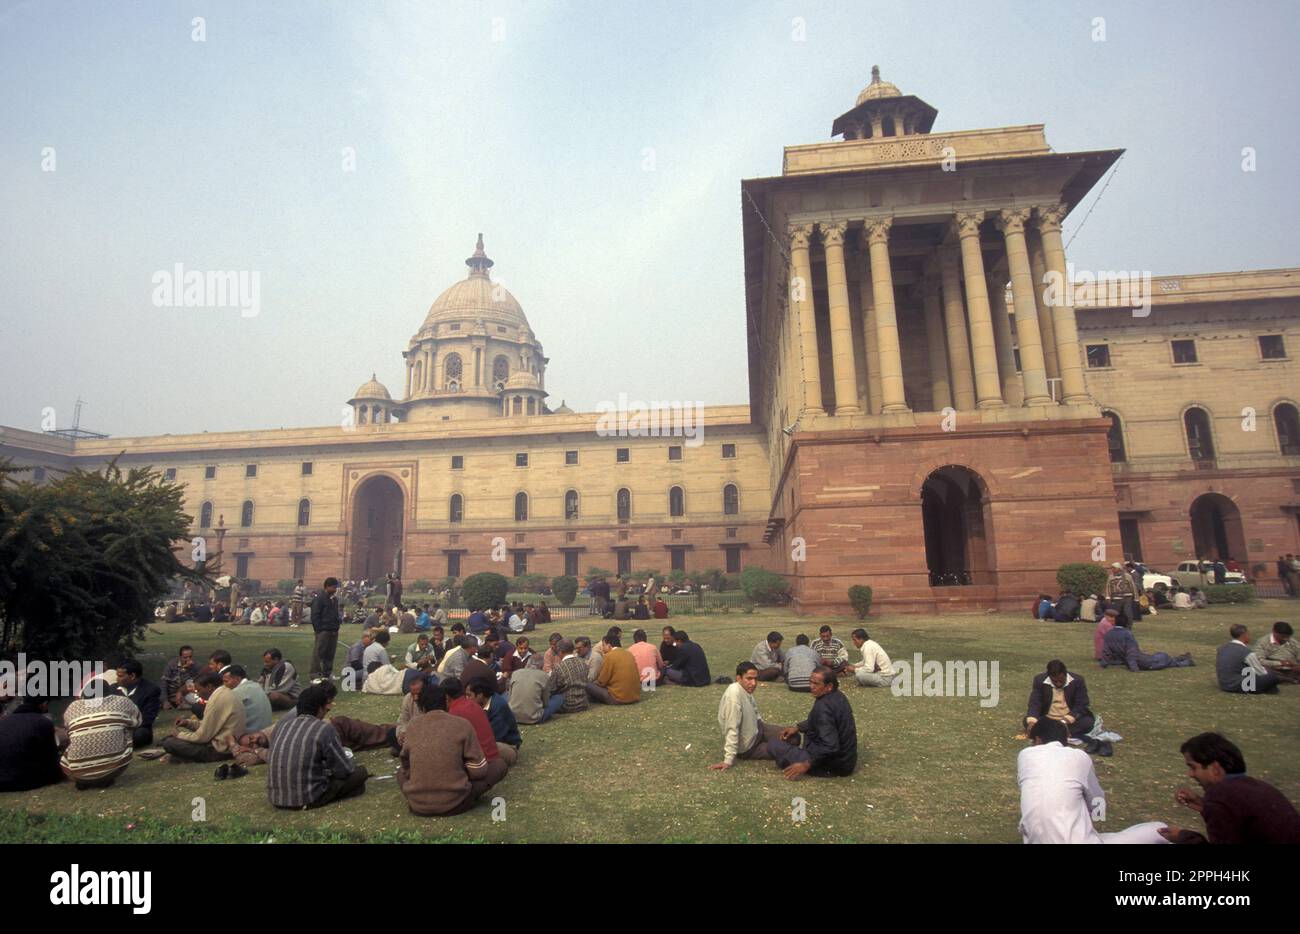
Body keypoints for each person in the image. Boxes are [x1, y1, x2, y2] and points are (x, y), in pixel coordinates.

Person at [1017, 718, 1168, 844]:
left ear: (1037, 739)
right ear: (1066, 740)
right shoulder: (1079, 757)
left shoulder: (1024, 756)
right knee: (1159, 828)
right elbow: (1096, 798)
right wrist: (1097, 818)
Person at [1159, 733, 1300, 843]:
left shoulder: (1220, 796)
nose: (1190, 774)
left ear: (1215, 768)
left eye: (1193, 767)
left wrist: (1184, 837)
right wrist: (1204, 806)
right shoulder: (1256, 787)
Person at [398, 683, 505, 816]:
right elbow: (479, 770)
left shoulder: (413, 726)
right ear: (446, 701)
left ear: (421, 706)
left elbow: (406, 768)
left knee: (399, 773)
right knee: (499, 765)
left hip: (418, 804)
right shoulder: (462, 724)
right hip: (456, 803)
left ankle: (421, 796)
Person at [267, 684, 369, 809]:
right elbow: (343, 770)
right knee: (360, 773)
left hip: (277, 799)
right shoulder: (324, 729)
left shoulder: (284, 727)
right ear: (319, 708)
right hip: (306, 798)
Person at [766, 667, 857, 779]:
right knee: (794, 738)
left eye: (816, 684)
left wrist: (806, 764)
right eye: (811, 682)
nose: (811, 687)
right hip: (847, 762)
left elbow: (831, 746)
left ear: (829, 686)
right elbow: (821, 721)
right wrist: (798, 727)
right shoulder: (838, 696)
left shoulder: (823, 706)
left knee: (774, 743)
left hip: (833, 766)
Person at [708, 662, 792, 770]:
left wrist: (765, 729)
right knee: (788, 749)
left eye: (755, 679)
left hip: (759, 729)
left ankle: (772, 742)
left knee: (793, 737)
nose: (753, 683)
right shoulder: (733, 697)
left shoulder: (745, 690)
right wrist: (728, 761)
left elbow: (755, 711)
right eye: (749, 678)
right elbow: (732, 728)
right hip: (750, 746)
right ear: (739, 678)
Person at [60, 688, 141, 790]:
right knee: (127, 731)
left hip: (76, 772)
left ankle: (84, 777)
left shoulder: (72, 707)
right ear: (110, 694)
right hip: (113, 769)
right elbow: (138, 721)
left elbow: (67, 731)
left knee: (72, 738)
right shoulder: (121, 701)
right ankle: (106, 773)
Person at [162, 671, 246, 763]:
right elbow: (210, 725)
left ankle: (184, 759)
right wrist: (188, 723)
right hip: (228, 743)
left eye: (198, 690)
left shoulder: (217, 700)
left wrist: (179, 735)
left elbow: (202, 736)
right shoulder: (225, 692)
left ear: (209, 687)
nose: (197, 694)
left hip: (221, 749)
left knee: (169, 743)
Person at [445, 678, 511, 774]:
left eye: (469, 695)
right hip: (492, 758)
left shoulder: (454, 712)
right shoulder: (475, 705)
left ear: (447, 697)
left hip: (482, 763)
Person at [0, 695, 62, 792]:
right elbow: (51, 759)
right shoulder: (43, 722)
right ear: (44, 704)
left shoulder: (3, 722)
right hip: (26, 781)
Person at [1023, 660, 1095, 740]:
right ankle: (1058, 732)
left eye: (1061, 680)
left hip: (1069, 720)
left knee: (1087, 723)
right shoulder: (1039, 680)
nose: (1058, 684)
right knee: (1027, 720)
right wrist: (1032, 721)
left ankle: (1049, 732)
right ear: (1049, 677)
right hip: (1048, 718)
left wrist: (1066, 720)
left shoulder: (1078, 681)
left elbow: (1082, 704)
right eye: (1055, 681)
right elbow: (1035, 703)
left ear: (1065, 674)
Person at [1099, 618, 1194, 671]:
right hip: (1144, 662)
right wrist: (1134, 668)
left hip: (1133, 661)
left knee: (1165, 658)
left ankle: (1182, 657)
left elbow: (1106, 651)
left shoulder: (1109, 634)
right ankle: (1186, 661)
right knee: (1165, 658)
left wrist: (1104, 663)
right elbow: (1131, 652)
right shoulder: (1127, 634)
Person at [467, 677, 521, 765]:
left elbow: (494, 736)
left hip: (506, 744)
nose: (467, 699)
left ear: (480, 695)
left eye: (469, 695)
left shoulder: (499, 706)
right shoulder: (481, 704)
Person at [1215, 624, 1279, 694]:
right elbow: (1260, 672)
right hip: (1240, 685)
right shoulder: (1246, 652)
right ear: (1244, 635)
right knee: (1272, 676)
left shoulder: (1222, 648)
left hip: (1224, 684)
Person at [109, 660, 160, 746]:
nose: (117, 679)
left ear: (132, 676)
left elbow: (148, 718)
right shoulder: (112, 689)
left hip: (137, 728)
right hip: (115, 727)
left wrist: (127, 726)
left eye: (120, 676)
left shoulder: (151, 690)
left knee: (141, 734)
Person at [587, 633, 641, 704]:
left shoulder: (608, 656)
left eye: (603, 645)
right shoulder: (628, 653)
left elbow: (602, 682)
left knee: (587, 684)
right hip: (634, 696)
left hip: (618, 698)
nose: (602, 648)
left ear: (609, 645)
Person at [510, 654, 564, 724]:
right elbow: (546, 703)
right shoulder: (544, 676)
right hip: (534, 717)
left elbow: (510, 696)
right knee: (559, 698)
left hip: (513, 716)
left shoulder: (515, 673)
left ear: (528, 663)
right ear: (541, 665)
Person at [223, 665, 273, 733]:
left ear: (237, 679)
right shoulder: (256, 685)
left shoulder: (236, 692)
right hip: (265, 730)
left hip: (251, 734)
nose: (224, 685)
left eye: (226, 681)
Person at [310, 577, 342, 680]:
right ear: (327, 586)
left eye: (336, 587)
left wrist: (337, 626)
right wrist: (319, 630)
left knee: (330, 653)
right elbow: (315, 615)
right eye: (333, 587)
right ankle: (315, 675)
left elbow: (336, 614)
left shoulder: (335, 599)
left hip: (333, 630)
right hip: (323, 630)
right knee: (319, 653)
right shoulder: (319, 599)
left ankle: (327, 674)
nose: (335, 589)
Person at [547, 638, 590, 714]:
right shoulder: (583, 663)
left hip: (566, 705)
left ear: (560, 651)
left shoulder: (559, 668)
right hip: (583, 704)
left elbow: (551, 689)